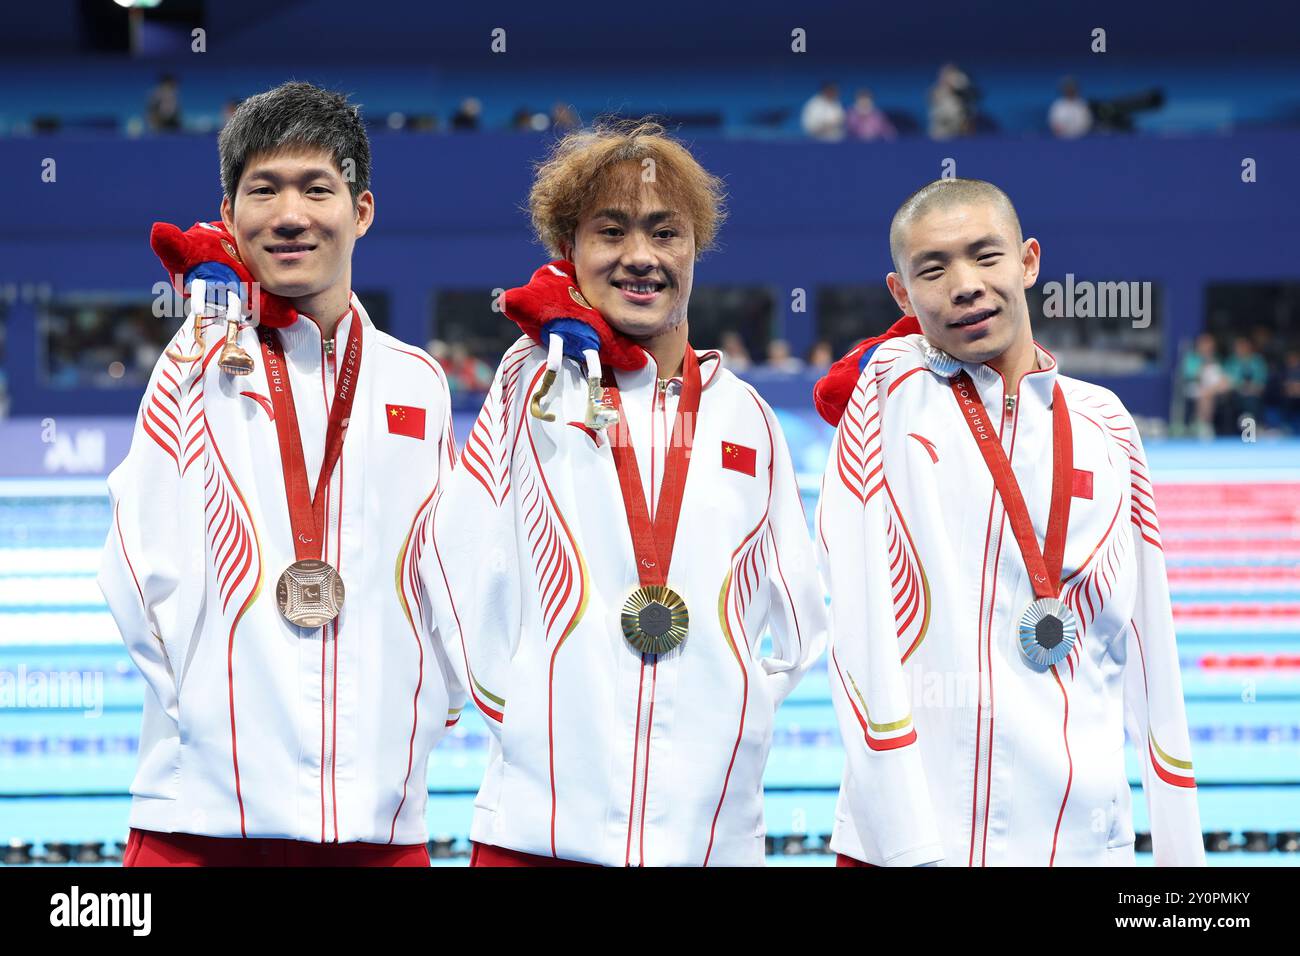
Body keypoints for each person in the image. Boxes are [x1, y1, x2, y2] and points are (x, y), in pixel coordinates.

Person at [423, 120, 827, 866]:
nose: (640, 257)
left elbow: (802, 617)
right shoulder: (534, 381)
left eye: (664, 233)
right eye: (610, 232)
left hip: (709, 840)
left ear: (694, 248)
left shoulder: (750, 418)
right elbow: (451, 559)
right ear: (570, 254)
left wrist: (742, 717)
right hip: (534, 834)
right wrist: (518, 714)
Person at [99, 82, 462, 867]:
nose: (290, 214)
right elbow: (135, 561)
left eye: (316, 188)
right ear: (227, 217)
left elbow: (447, 575)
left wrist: (438, 705)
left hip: (377, 824)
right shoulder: (195, 362)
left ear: (361, 210)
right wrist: (203, 721)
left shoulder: (417, 384)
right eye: (263, 189)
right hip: (198, 824)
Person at [814, 178, 1204, 866]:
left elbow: (1152, 642)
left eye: (985, 256)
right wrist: (902, 835)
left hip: (1080, 837)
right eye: (932, 270)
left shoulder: (1106, 423)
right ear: (901, 297)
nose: (965, 285)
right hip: (914, 835)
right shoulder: (886, 400)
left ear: (1028, 262)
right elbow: (855, 626)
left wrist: (1180, 857)